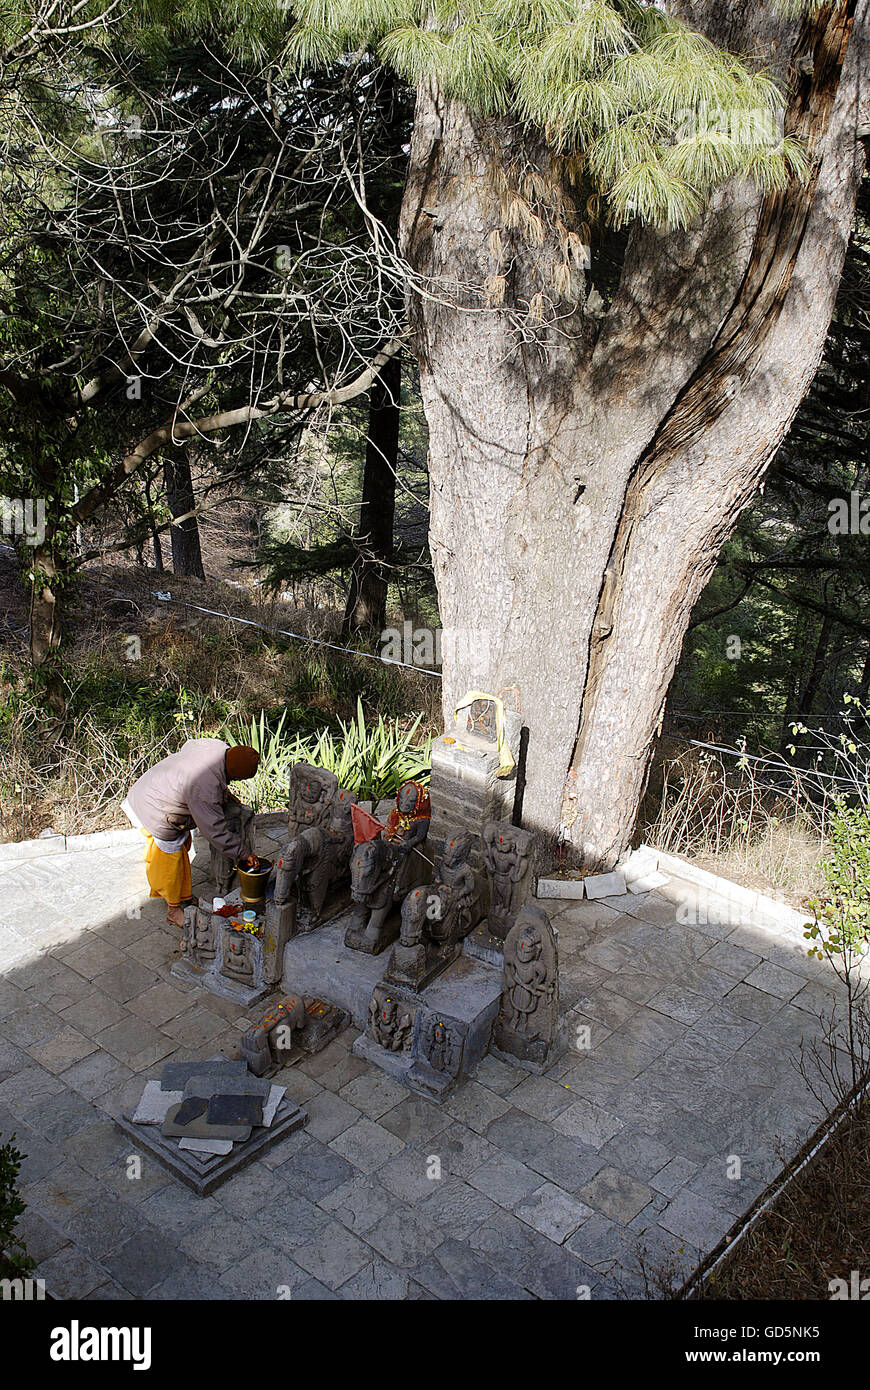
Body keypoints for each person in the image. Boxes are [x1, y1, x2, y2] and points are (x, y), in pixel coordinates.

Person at [122, 739, 261, 927]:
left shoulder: (217, 748)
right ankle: (173, 910)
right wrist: (244, 853)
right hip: (154, 808)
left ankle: (184, 896)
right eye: (236, 779)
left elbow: (188, 746)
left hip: (151, 787)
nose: (234, 782)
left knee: (182, 849)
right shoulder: (204, 786)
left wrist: (224, 792)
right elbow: (215, 831)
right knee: (170, 862)